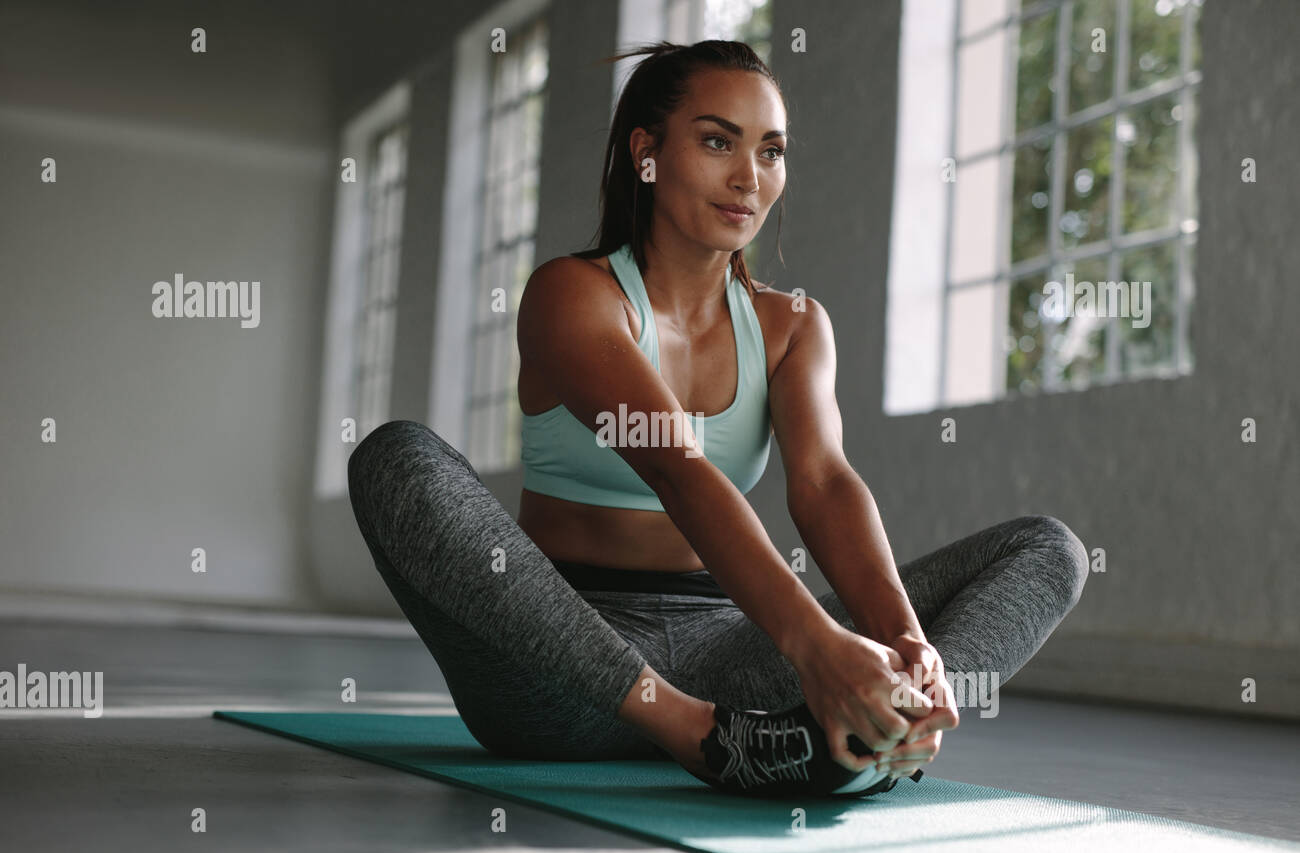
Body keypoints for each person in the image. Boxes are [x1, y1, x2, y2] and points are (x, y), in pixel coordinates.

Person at [347, 40, 1089, 798]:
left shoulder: (792, 325)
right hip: (566, 668)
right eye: (715, 142)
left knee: (1048, 551)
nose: (749, 178)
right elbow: (677, 467)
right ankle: (697, 736)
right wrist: (815, 643)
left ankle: (884, 732)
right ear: (647, 153)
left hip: (734, 655)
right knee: (394, 456)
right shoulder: (571, 294)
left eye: (771, 151)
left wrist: (901, 638)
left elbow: (824, 482)